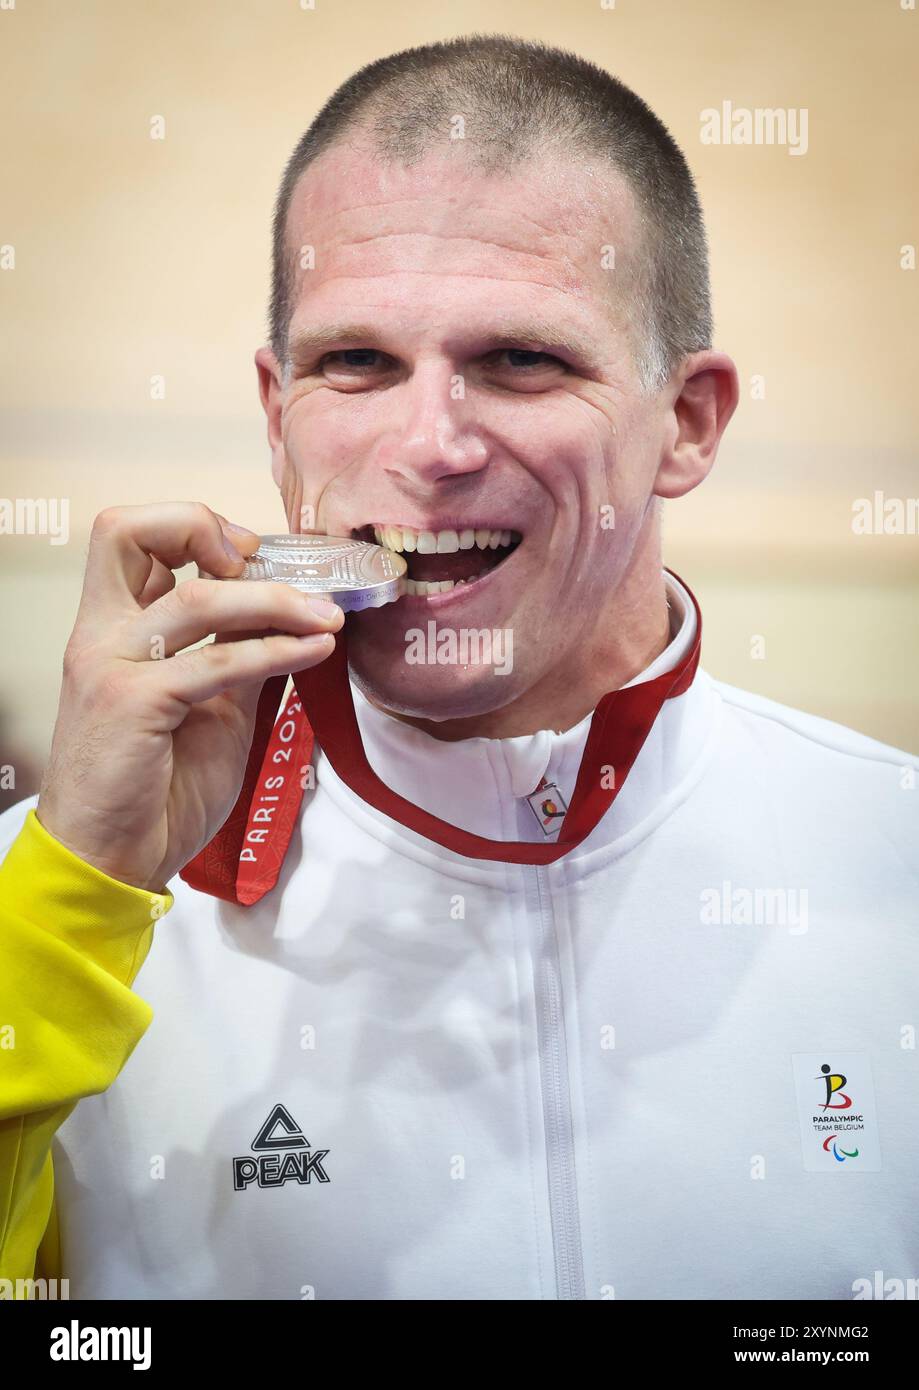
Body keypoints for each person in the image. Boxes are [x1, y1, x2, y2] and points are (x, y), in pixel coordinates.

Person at [1, 34, 916, 1302]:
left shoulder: (896, 861)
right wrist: (70, 901)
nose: (428, 447)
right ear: (276, 415)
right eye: (357, 362)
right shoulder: (49, 899)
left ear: (687, 423)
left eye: (522, 360)